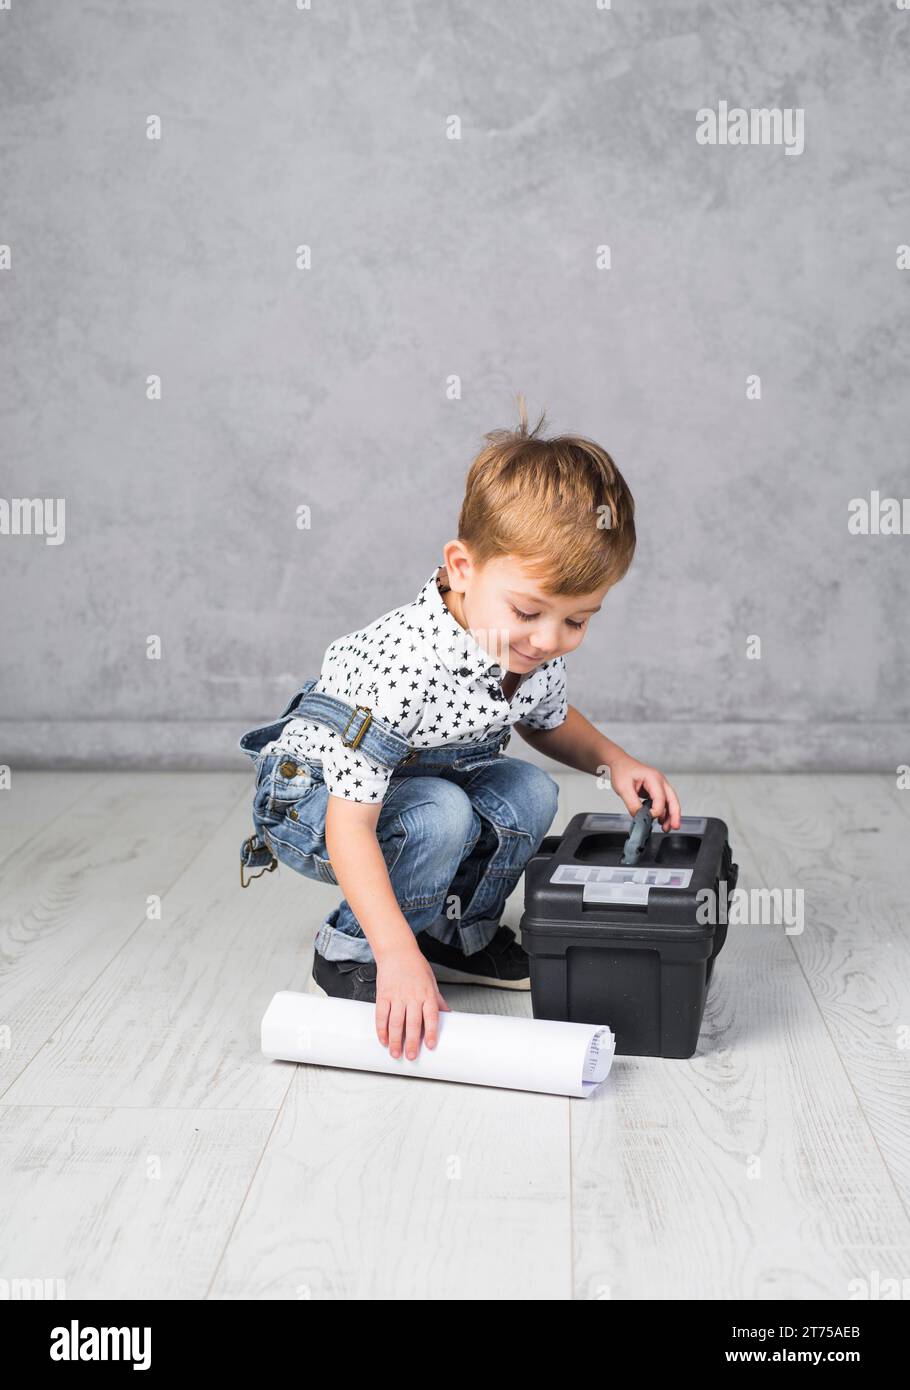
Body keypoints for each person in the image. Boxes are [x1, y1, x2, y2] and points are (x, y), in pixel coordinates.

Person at [238, 394, 681, 1064]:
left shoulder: (525, 650)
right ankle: (351, 949)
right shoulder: (403, 667)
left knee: (529, 791)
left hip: (414, 787)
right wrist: (393, 954)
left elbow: (550, 722)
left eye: (578, 619)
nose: (549, 640)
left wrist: (615, 761)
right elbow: (349, 824)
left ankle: (454, 934)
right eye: (530, 611)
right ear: (463, 568)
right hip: (313, 804)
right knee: (442, 812)